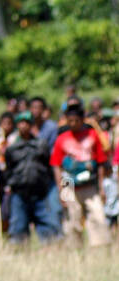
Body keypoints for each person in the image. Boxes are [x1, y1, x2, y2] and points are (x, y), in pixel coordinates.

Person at [51, 102, 111, 247]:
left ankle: (99, 246)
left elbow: (101, 161)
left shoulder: (91, 135)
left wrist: (101, 186)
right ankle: (74, 247)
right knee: (72, 218)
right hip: (68, 183)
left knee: (97, 215)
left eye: (76, 121)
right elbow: (56, 165)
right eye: (70, 121)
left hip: (90, 181)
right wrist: (61, 189)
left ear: (82, 119)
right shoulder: (61, 139)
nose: (73, 124)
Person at [4, 111, 59, 244]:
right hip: (20, 193)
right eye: (21, 123)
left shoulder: (41, 145)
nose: (24, 126)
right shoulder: (12, 149)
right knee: (18, 230)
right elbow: (8, 169)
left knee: (48, 229)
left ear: (32, 125)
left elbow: (48, 165)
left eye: (27, 123)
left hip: (40, 193)